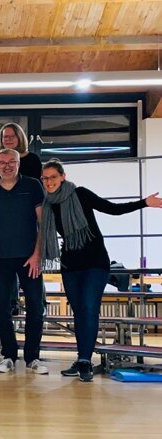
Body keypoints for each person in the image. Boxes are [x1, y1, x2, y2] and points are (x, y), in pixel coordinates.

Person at [39, 159, 162, 381]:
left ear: (63, 177)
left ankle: (85, 360)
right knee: (79, 311)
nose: (49, 182)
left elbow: (113, 209)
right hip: (70, 263)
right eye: (45, 178)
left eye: (53, 177)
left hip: (95, 261)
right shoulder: (46, 205)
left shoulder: (80, 194)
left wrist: (145, 202)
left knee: (89, 307)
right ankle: (82, 357)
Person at [0, 148, 48, 375]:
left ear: (19, 163)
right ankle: (8, 355)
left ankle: (32, 357)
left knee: (36, 307)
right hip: (0, 258)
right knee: (0, 308)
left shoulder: (33, 186)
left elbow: (43, 222)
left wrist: (37, 255)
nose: (7, 166)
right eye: (2, 163)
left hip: (30, 258)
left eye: (11, 162)